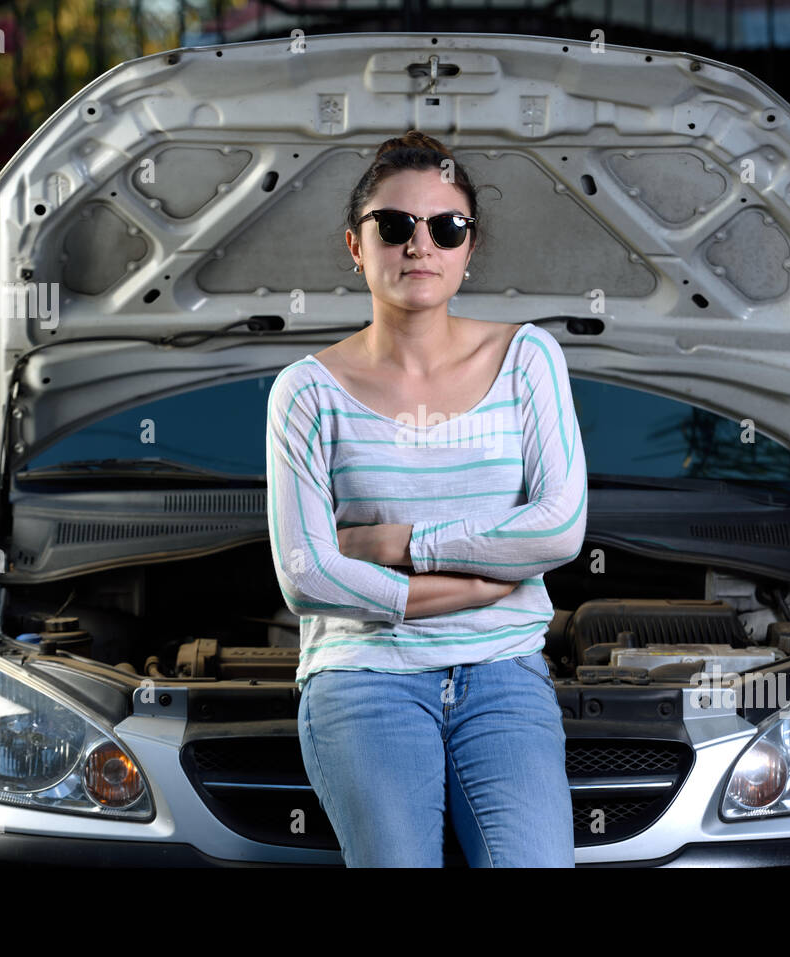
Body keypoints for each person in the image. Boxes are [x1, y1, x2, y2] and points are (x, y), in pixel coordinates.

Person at [265, 130, 588, 866]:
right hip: (362, 680)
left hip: (505, 675)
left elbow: (561, 527)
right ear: (355, 243)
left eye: (445, 228)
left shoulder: (527, 358)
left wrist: (398, 546)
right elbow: (307, 575)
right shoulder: (306, 391)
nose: (420, 245)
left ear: (469, 248)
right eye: (394, 226)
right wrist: (479, 582)